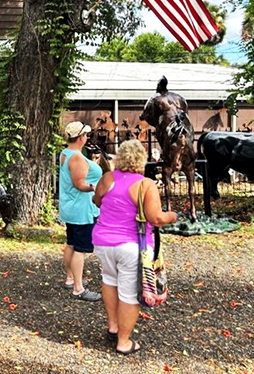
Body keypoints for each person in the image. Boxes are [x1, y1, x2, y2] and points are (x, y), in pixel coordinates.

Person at [92, 139, 177, 355]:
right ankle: (123, 341)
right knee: (130, 293)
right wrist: (172, 216)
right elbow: (155, 217)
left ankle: (113, 326)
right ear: (142, 160)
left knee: (109, 281)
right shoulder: (145, 185)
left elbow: (97, 201)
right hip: (131, 245)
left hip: (103, 242)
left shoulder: (107, 178)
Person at [58, 121, 103, 302]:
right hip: (81, 210)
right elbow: (80, 184)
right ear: (81, 137)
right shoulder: (76, 158)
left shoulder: (65, 153)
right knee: (81, 249)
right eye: (85, 134)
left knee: (71, 243)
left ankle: (70, 278)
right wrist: (95, 188)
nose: (87, 137)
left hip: (71, 207)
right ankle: (79, 288)